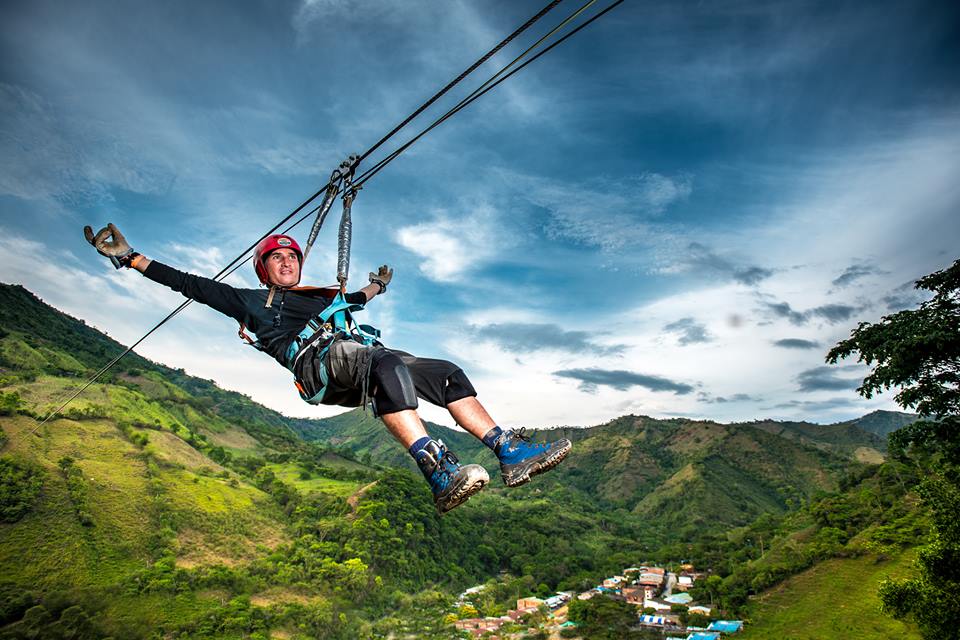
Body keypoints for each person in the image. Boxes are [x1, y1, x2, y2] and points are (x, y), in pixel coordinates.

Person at [84, 223, 571, 513]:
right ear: (264, 270)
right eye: (275, 259)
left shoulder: (322, 296)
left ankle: (507, 450)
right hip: (321, 367)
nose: (285, 262)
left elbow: (357, 298)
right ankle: (436, 469)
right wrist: (131, 258)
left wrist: (377, 285)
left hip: (357, 358)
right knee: (384, 362)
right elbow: (189, 283)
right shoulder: (252, 303)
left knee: (444, 371)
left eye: (290, 257)